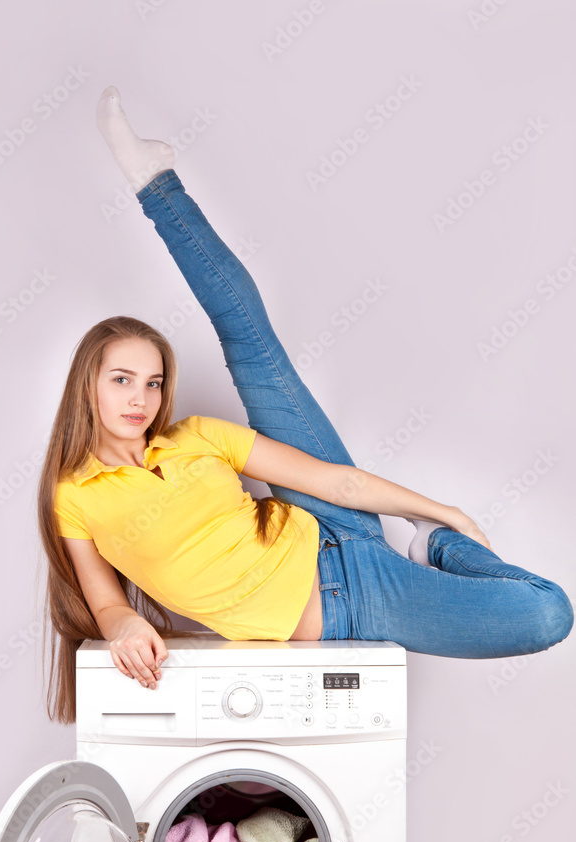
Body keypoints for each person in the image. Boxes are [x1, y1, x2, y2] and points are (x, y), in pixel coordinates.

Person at [37, 87, 573, 725]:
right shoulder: (76, 493)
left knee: (254, 347)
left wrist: (439, 511)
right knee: (549, 614)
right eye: (121, 380)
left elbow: (335, 481)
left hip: (324, 530)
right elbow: (105, 602)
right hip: (361, 603)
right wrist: (124, 628)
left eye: (152, 383)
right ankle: (438, 554)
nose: (140, 398)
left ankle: (153, 181)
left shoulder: (195, 437)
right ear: (86, 386)